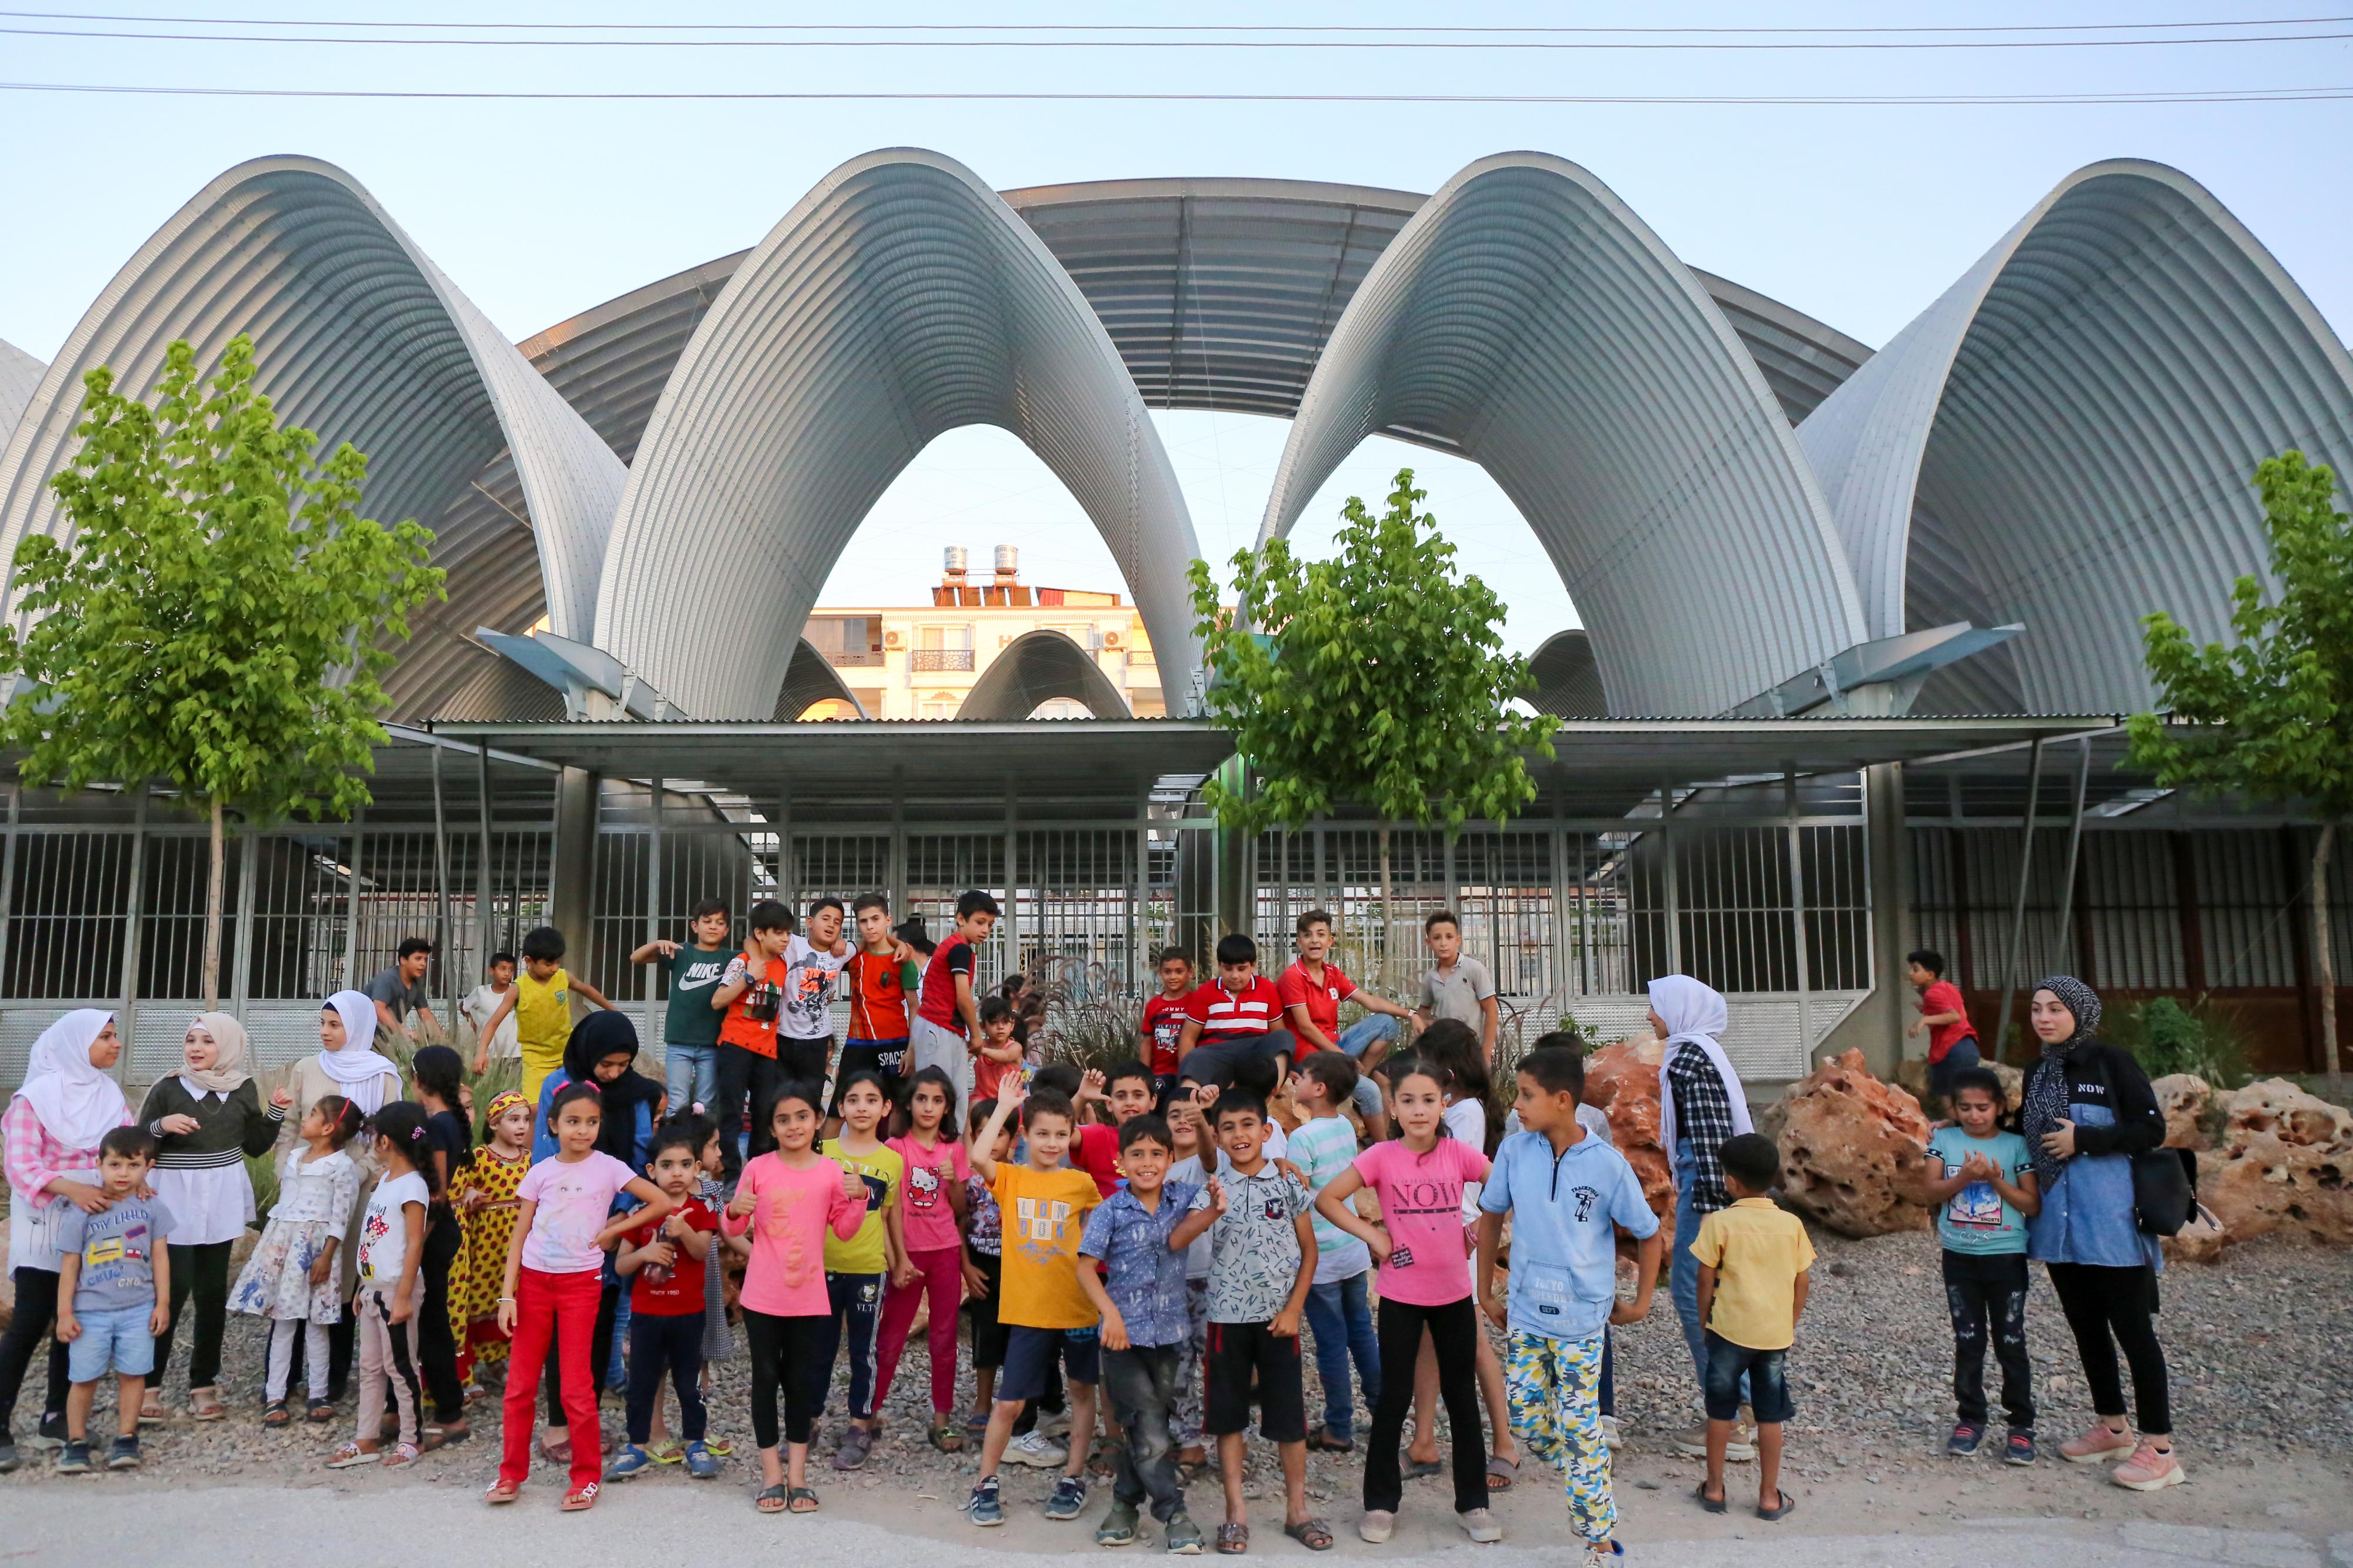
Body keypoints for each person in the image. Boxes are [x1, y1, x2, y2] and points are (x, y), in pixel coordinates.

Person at [1476, 1045, 1661, 1567]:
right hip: (1527, 1313)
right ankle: (1588, 1466)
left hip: (1583, 1321)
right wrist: (1486, 1289)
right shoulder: (1514, 1151)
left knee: (1581, 1425)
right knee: (1527, 1421)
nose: (1516, 1105)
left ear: (1563, 1101)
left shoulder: (1606, 1165)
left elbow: (1648, 1236)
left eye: (1527, 1095)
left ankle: (1600, 1539)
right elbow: (1491, 1216)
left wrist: (1641, 1302)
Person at [1316, 1058, 1500, 1546]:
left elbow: (1504, 1189)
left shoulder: (1460, 1154)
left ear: (1444, 1104)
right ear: (1393, 1108)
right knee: (1393, 1400)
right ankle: (1379, 1503)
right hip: (1401, 1296)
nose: (1419, 1110)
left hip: (1455, 1296)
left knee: (1462, 1400)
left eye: (1429, 1100)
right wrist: (1371, 1236)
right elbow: (1329, 1199)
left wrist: (1482, 1224)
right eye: (1408, 1101)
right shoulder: (1380, 1158)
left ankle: (1474, 1503)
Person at [2018, 975, 2181, 1492]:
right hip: (2058, 1224)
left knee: (2134, 1331)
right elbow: (2028, 1135)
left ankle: (2159, 1448)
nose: (2045, 1018)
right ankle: (2112, 1426)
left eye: (2057, 1009)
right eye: (2038, 1009)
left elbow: (2151, 1129)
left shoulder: (2112, 1062)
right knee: (2086, 1328)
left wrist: (2085, 1138)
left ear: (2080, 1015)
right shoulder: (2036, 1071)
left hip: (2110, 1220)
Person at [486, 1080, 676, 1512]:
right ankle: (510, 1474)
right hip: (533, 1284)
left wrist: (613, 1228)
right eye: (573, 1122)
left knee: (576, 1387)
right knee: (519, 1386)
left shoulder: (609, 1168)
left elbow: (661, 1202)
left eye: (591, 1122)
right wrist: (506, 1296)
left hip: (580, 1287)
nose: (583, 1130)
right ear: (552, 1125)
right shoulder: (540, 1172)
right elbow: (519, 1238)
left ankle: (587, 1476)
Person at [1185, 1085, 1325, 1554]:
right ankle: (1235, 1512)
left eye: (1248, 1125)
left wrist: (1293, 1309)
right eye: (1229, 1128)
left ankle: (1297, 1509)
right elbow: (1183, 1233)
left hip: (1278, 1320)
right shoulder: (1214, 1185)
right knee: (1229, 1418)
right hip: (1226, 1318)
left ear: (1267, 1131)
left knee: (1289, 1416)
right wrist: (1209, 1206)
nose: (1239, 1134)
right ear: (1219, 1138)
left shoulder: (1288, 1183)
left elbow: (1310, 1252)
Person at [721, 1081, 868, 1515]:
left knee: (801, 1384)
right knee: (765, 1381)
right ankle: (771, 1475)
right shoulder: (759, 1168)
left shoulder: (831, 1172)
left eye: (802, 1116)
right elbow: (732, 1230)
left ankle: (799, 1476)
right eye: (783, 1119)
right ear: (771, 1126)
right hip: (762, 1295)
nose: (793, 1126)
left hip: (808, 1295)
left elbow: (843, 1229)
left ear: (818, 1120)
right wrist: (733, 1210)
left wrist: (858, 1200)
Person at [1, 1010, 136, 1473]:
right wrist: (73, 1187)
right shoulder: (33, 1100)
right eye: (105, 1037)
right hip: (47, 1221)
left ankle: (56, 1417)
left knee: (76, 1318)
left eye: (115, 1035)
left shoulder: (109, 1095)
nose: (115, 1044)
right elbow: (20, 1166)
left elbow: (125, 1146)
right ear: (76, 1044)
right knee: (33, 1318)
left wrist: (133, 1182)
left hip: (96, 1223)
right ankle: (1, 1422)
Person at [963, 1082, 1102, 1529]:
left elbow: (1100, 1232)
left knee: (1082, 1393)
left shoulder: (1081, 1184)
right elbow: (978, 1159)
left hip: (1078, 1308)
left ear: (1070, 1135)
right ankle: (986, 1482)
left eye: (1061, 1135)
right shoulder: (1011, 1177)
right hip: (1028, 1311)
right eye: (1043, 1134)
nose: (1052, 1143)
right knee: (1009, 1403)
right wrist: (1004, 1105)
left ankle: (1073, 1477)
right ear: (1025, 1135)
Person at [137, 1012, 285, 1423]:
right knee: (173, 1288)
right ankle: (149, 1386)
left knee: (210, 1293)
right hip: (176, 1194)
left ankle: (203, 1384)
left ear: (228, 1047)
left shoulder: (241, 1088)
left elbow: (254, 1146)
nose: (197, 1049)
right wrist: (161, 1125)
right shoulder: (168, 1088)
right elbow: (137, 1140)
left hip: (220, 1194)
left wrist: (274, 1113)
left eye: (207, 1041)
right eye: (191, 1040)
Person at [531, 1013, 665, 1459]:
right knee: (560, 1329)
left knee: (602, 1322)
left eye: (622, 1065)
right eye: (606, 1064)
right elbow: (545, 1159)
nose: (612, 1074)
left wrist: (621, 1216)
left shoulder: (636, 1094)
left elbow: (643, 1153)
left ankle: (582, 1419)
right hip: (564, 1228)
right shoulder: (558, 1086)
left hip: (613, 1229)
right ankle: (556, 1428)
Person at [1076, 1115, 1207, 1555]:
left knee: (1147, 1426)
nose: (1147, 1163)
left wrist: (1284, 1166)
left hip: (1171, 1334)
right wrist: (1109, 1315)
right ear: (1120, 1162)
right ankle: (1175, 1514)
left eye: (1156, 1154)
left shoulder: (1184, 1197)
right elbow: (1085, 1269)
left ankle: (1124, 1505)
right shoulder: (1110, 1210)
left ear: (1171, 1160)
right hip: (1123, 1338)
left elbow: (1219, 1168)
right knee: (1151, 1431)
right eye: (1137, 1155)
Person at [1402, 1023, 1519, 1490]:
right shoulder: (1465, 1107)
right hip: (1437, 1235)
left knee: (1472, 1344)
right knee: (1430, 1341)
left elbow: (1464, 1175)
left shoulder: (1465, 1112)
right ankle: (1424, 1441)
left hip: (1457, 1239)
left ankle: (1505, 1444)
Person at [1647, 975, 1757, 1460]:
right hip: (1711, 1183)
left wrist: (1713, 1207)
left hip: (1708, 1186)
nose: (1650, 1016)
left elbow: (1712, 1135)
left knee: (1694, 1292)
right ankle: (1748, 1408)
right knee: (1721, 1298)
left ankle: (1727, 1418)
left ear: (1679, 1010)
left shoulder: (1689, 1055)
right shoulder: (1700, 1051)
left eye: (1655, 1007)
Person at [1689, 1133, 1810, 1522]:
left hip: (1728, 1332)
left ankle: (1714, 1488)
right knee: (1770, 1415)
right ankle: (1769, 1495)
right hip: (1774, 1335)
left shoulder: (1720, 1223)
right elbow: (1802, 1279)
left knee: (1721, 1413)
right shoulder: (1791, 1225)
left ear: (1732, 1182)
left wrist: (1705, 1319)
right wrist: (1790, 1320)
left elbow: (1705, 1277)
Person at [1922, 1066, 2040, 1462]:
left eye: (1983, 1107)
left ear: (2000, 1107)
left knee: (2011, 1341)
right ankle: (1970, 1418)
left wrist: (1993, 1180)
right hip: (1959, 1258)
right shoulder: (1944, 1139)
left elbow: (2031, 1203)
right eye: (1966, 1108)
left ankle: (2021, 1425)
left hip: (2005, 1257)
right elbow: (1929, 1191)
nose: (1975, 1115)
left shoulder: (2015, 1146)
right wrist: (1963, 1179)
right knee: (1968, 1341)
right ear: (1953, 1109)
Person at [229, 1095, 364, 1425]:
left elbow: (341, 1217)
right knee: (284, 1321)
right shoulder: (294, 1158)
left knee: (318, 1323)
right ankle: (275, 1393)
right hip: (283, 1248)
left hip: (317, 1252)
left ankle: (318, 1391)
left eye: (313, 1114)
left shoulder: (342, 1167)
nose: (305, 1117)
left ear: (329, 1128)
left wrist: (327, 1256)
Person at [608, 1118, 722, 1482]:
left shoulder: (701, 1210)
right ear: (651, 1171)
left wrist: (684, 1229)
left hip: (688, 1313)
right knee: (641, 1382)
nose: (677, 1174)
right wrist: (645, 1253)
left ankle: (695, 1443)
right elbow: (622, 1265)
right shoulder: (642, 1212)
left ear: (697, 1169)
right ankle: (637, 1447)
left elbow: (703, 1251)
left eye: (686, 1165)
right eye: (668, 1166)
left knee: (689, 1382)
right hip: (647, 1314)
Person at [52, 1126, 171, 1474]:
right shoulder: (83, 1211)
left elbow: (161, 1258)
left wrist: (162, 1304)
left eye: (132, 1166)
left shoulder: (153, 1208)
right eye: (115, 1164)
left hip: (138, 1310)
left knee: (133, 1375)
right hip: (91, 1312)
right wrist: (63, 1313)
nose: (123, 1173)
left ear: (148, 1166)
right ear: (99, 1164)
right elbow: (70, 1264)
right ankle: (76, 1442)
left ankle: (126, 1438)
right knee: (84, 1377)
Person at [328, 1102, 434, 1471]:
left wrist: (403, 1295)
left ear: (385, 1141)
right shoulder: (386, 1181)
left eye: (373, 1136)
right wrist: (361, 1286)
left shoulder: (413, 1186)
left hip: (395, 1293)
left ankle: (411, 1437)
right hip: (373, 1290)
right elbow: (372, 1241)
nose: (371, 1141)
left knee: (400, 1367)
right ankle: (366, 1436)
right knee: (371, 1367)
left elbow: (415, 1245)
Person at [875, 1066, 971, 1453]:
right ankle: (868, 1411)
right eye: (921, 1099)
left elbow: (961, 1208)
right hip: (909, 1253)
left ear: (948, 1107)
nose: (929, 1107)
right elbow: (888, 1207)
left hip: (946, 1250)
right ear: (908, 1104)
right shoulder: (895, 1149)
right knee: (892, 1334)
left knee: (945, 1337)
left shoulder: (955, 1150)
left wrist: (953, 1181)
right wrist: (897, 1259)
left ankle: (942, 1420)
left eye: (937, 1100)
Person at [1288, 1052, 1379, 1454]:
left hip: (1319, 1256)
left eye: (1302, 1076)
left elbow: (1294, 1195)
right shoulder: (1344, 1125)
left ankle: (1338, 1425)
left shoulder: (1301, 1138)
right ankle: (1382, 1410)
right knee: (1361, 1332)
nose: (1295, 1080)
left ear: (1319, 1089)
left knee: (1330, 1342)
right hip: (1352, 1247)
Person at [815, 1068, 906, 1469]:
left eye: (872, 1100)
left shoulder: (892, 1160)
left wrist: (899, 1259)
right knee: (815, 1350)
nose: (862, 1107)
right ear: (841, 1106)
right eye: (854, 1099)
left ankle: (859, 1425)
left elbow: (889, 1217)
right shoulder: (823, 1151)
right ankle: (809, 1420)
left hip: (869, 1269)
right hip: (822, 1267)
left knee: (863, 1351)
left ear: (885, 1107)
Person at [1277, 910, 1411, 1131]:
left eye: (1321, 935)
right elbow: (1306, 1028)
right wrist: (1343, 1059)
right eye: (1308, 935)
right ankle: (1381, 1149)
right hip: (1311, 1058)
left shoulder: (1332, 973)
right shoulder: (1293, 977)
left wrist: (1411, 1014)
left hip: (1334, 1046)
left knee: (1386, 1023)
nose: (1315, 941)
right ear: (1299, 941)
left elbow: (1370, 1002)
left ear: (1330, 941)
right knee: (1371, 1091)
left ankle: (1352, 1080)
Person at [405, 1046, 472, 1447]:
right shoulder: (436, 1120)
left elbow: (438, 1192)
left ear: (420, 1080)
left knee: (432, 1324)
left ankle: (450, 1414)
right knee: (430, 1320)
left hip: (432, 1234)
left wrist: (415, 1242)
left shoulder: (441, 1125)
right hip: (432, 1232)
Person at [447, 1090, 532, 1390]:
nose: (522, 1126)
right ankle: (476, 1362)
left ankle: (502, 1360)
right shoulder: (480, 1156)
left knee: (511, 1295)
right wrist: (470, 1192)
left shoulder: (529, 1160)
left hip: (517, 1242)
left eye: (526, 1120)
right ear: (495, 1123)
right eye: (513, 1120)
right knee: (480, 1298)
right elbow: (464, 1186)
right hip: (485, 1242)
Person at [477, 926, 615, 1105]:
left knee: (581, 1103)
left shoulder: (563, 977)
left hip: (568, 1053)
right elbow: (493, 1023)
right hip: (536, 1059)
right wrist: (481, 1053)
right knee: (534, 1109)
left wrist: (613, 1011)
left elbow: (587, 990)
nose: (554, 968)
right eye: (548, 964)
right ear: (529, 961)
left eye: (558, 962)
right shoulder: (518, 989)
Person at [632, 898, 733, 1119]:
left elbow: (759, 956)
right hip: (679, 1042)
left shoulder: (731, 958)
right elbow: (636, 958)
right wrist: (658, 943)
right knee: (677, 1103)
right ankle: (678, 1148)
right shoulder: (681, 952)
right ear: (695, 926)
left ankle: (702, 1149)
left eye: (720, 922)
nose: (714, 926)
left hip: (713, 1043)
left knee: (705, 1105)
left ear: (726, 930)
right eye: (708, 921)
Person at [1174, 933, 1297, 1090]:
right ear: (1219, 965)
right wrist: (1187, 1067)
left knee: (1285, 1037)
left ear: (1253, 966)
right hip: (1218, 1054)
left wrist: (1288, 1065)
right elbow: (1188, 1037)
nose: (1235, 975)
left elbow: (1278, 1031)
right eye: (1228, 969)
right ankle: (1188, 1101)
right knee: (1194, 1058)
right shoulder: (1205, 993)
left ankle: (1273, 1087)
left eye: (1241, 969)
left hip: (1255, 1052)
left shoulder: (1267, 989)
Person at [841, 893, 924, 1119]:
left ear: (888, 920)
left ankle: (895, 1153)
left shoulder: (903, 961)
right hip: (858, 1042)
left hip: (895, 1040)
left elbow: (914, 1008)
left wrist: (912, 1050)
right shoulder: (852, 956)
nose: (870, 926)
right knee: (844, 1102)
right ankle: (830, 1155)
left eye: (875, 919)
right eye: (863, 921)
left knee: (898, 1105)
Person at [910, 890, 999, 1096]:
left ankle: (954, 1130)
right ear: (961, 919)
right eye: (980, 922)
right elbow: (963, 997)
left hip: (945, 1028)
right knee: (937, 1096)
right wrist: (977, 1036)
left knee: (954, 1098)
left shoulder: (955, 946)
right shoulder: (960, 949)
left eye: (990, 925)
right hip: (939, 1028)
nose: (986, 930)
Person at [959, 1095, 1012, 1439]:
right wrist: (966, 1267)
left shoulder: (1021, 1174)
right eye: (982, 1133)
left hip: (1017, 1267)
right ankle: (982, 1402)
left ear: (1014, 1138)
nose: (991, 1141)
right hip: (981, 1263)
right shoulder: (971, 1179)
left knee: (1017, 1334)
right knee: (985, 1332)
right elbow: (961, 1222)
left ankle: (1014, 1402)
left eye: (998, 1134)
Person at [782, 898, 854, 1120]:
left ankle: (810, 1148)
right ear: (809, 922)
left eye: (838, 922)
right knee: (782, 1097)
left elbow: (872, 943)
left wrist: (845, 941)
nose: (832, 925)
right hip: (783, 1036)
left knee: (811, 1099)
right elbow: (754, 940)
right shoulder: (793, 944)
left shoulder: (845, 951)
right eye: (826, 919)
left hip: (817, 1041)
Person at [1415, 913, 1498, 1061]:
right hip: (1442, 1051)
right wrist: (1425, 1028)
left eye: (1449, 937)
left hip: (1471, 1049)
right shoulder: (1430, 977)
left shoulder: (1474, 969)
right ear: (1428, 942)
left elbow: (1491, 1011)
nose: (1443, 943)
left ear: (1458, 940)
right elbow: (1424, 1010)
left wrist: (1486, 1054)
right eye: (1437, 938)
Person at [1908, 950, 1981, 1102]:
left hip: (1951, 1051)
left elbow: (1954, 1017)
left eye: (1915, 969)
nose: (1910, 973)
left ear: (1930, 975)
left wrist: (1924, 1020)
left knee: (1948, 1100)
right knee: (1967, 1100)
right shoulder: (1949, 987)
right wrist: (1925, 1009)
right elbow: (1962, 1015)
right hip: (1969, 1048)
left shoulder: (1932, 994)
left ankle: (1955, 1126)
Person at [1139, 947, 1195, 1106]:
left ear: (1190, 973)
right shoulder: (1153, 1006)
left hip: (1188, 1073)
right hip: (1160, 1073)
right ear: (1160, 973)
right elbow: (1146, 1042)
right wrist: (1144, 1076)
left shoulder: (1197, 1002)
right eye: (1168, 972)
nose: (1173, 977)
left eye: (1179, 971)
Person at [365, 939, 436, 1049]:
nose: (423, 964)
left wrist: (440, 1036)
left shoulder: (417, 982)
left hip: (382, 1041)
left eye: (425, 960)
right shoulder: (388, 979)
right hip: (361, 1037)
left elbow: (426, 1014)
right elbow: (378, 1009)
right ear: (403, 960)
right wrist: (404, 1032)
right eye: (418, 959)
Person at [460, 952, 521, 1069]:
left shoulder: (517, 992)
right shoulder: (481, 993)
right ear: (492, 971)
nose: (507, 973)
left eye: (511, 970)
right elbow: (464, 1007)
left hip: (516, 1052)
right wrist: (475, 1026)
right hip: (489, 1053)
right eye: (503, 969)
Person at [972, 996, 1025, 1107]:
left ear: (1012, 1025)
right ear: (983, 1027)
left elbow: (1005, 1056)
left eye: (1005, 1022)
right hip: (982, 1099)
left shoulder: (1015, 1047)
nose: (1000, 1027)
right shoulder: (981, 1046)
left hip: (1009, 1101)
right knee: (973, 1105)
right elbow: (962, 1057)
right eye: (994, 1023)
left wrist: (981, 1050)